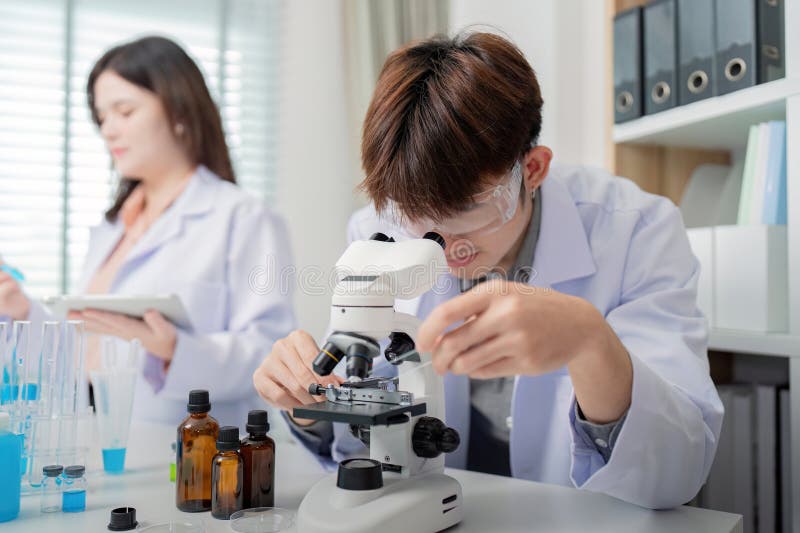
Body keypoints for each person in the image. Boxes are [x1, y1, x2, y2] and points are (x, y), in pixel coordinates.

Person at [252, 31, 723, 510]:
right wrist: (308, 406)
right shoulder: (379, 230)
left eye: (468, 212)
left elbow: (676, 470)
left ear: (533, 170)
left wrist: (590, 342)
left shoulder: (637, 231)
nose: (444, 247)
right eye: (419, 219)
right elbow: (355, 436)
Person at [0, 36, 294, 425]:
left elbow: (267, 357)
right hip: (91, 435)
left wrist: (175, 350)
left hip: (186, 453)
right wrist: (22, 311)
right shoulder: (112, 228)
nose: (109, 130)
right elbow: (88, 341)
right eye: (102, 117)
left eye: (124, 111)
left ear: (178, 109)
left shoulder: (243, 218)